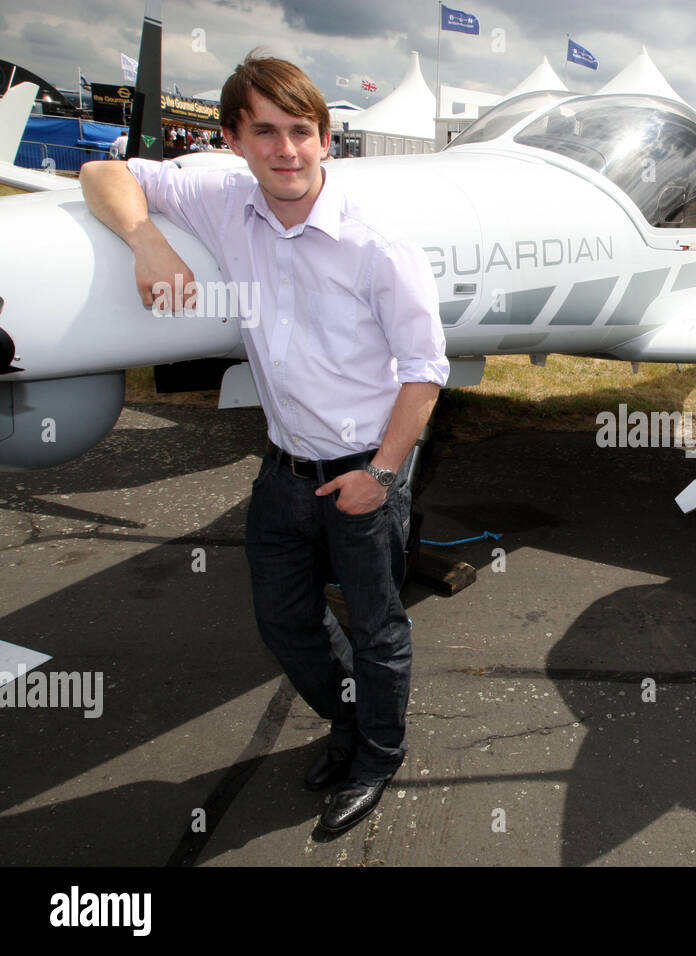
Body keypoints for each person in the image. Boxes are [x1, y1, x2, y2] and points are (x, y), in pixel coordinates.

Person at [80, 52, 448, 836]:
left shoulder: (374, 243)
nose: (287, 150)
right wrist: (146, 239)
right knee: (283, 622)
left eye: (303, 132)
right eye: (267, 132)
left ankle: (379, 755)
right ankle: (349, 722)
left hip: (363, 473)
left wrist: (381, 476)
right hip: (283, 471)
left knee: (378, 630)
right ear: (234, 140)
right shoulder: (222, 195)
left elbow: (425, 374)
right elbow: (100, 172)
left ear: (325, 139)